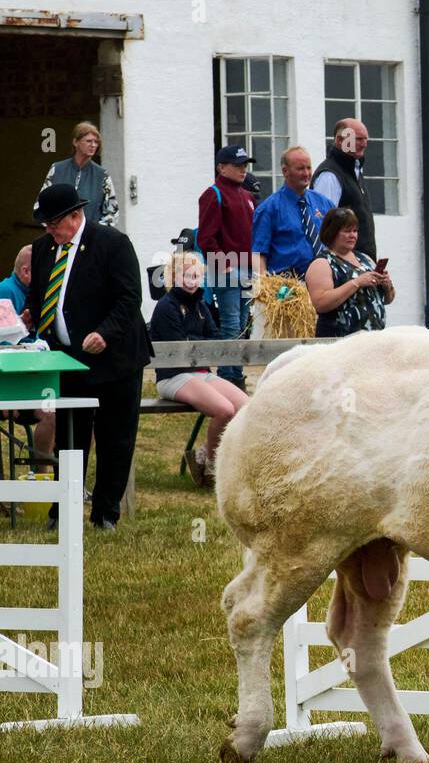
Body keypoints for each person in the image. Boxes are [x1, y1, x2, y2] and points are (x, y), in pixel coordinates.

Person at [24, 184, 153, 530]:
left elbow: (129, 298)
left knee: (115, 436)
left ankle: (105, 512)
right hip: (68, 359)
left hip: (116, 357)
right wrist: (30, 316)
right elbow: (40, 296)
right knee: (70, 437)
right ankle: (62, 510)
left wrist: (104, 334)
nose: (49, 230)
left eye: (53, 223)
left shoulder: (112, 243)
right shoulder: (42, 249)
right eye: (46, 225)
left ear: (75, 216)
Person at [148, 252, 247, 487]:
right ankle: (213, 467)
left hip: (202, 373)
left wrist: (197, 343)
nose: (191, 281)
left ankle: (203, 453)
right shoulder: (166, 306)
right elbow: (178, 347)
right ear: (173, 276)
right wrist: (196, 342)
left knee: (246, 407)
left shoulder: (201, 304)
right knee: (224, 409)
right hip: (173, 375)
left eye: (196, 276)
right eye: (186, 276)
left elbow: (212, 338)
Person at [198, 144, 258, 390]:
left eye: (245, 165)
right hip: (229, 269)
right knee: (231, 323)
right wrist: (224, 266)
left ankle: (237, 373)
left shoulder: (246, 196)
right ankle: (227, 376)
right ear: (222, 167)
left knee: (243, 324)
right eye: (237, 165)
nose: (243, 169)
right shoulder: (214, 194)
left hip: (246, 269)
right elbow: (206, 237)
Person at [0, 244, 54, 473]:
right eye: (43, 271)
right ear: (25, 272)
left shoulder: (42, 294)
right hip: (11, 384)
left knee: (61, 412)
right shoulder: (5, 293)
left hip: (37, 380)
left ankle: (43, 479)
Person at [304, 207, 393, 338]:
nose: (353, 235)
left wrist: (387, 285)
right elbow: (320, 303)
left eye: (355, 231)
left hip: (373, 341)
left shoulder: (365, 259)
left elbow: (387, 299)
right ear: (332, 233)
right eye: (347, 231)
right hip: (339, 342)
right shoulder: (322, 263)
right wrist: (357, 283)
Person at [251, 146, 334, 280]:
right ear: (285, 171)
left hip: (324, 283)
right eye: (300, 169)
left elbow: (338, 243)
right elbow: (259, 254)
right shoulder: (269, 209)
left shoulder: (324, 204)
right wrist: (261, 289)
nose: (306, 173)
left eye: (308, 168)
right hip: (288, 288)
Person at [312, 118, 377, 261]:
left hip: (358, 263)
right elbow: (322, 225)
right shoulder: (329, 176)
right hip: (342, 267)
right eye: (358, 139)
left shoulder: (354, 171)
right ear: (340, 140)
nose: (364, 144)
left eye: (366, 139)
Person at [34, 121, 119, 227]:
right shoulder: (56, 169)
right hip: (59, 237)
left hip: (90, 239)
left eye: (96, 142)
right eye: (88, 141)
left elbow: (113, 212)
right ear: (75, 142)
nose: (93, 145)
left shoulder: (102, 175)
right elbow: (40, 205)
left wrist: (94, 231)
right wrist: (54, 226)